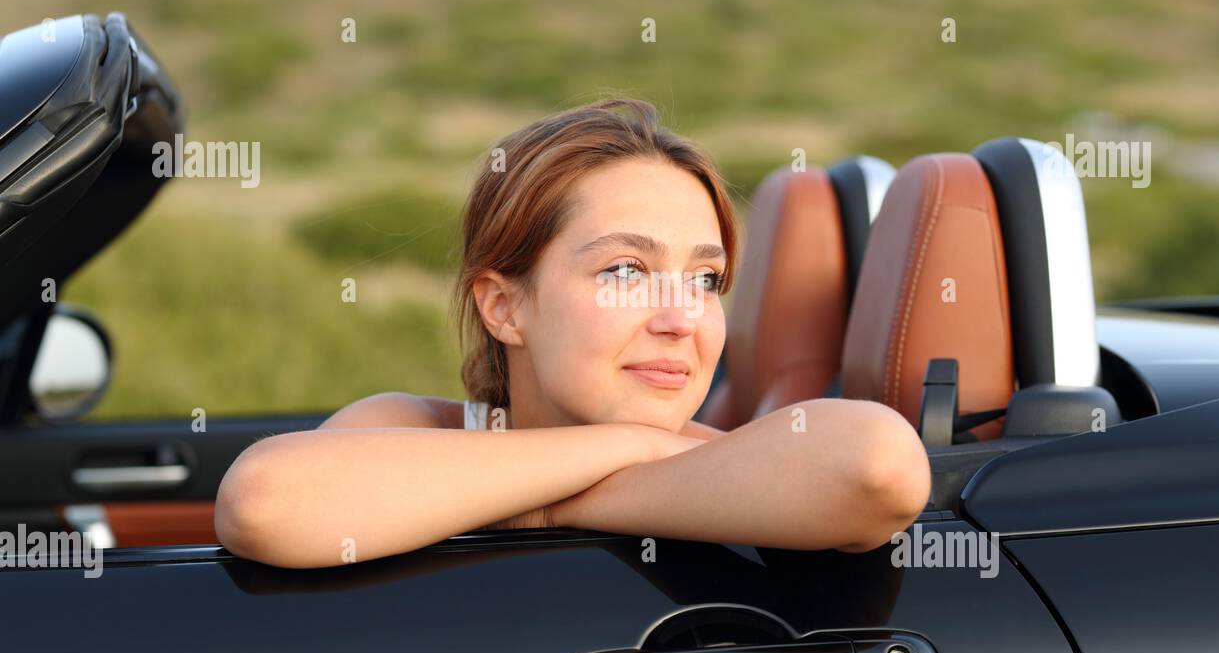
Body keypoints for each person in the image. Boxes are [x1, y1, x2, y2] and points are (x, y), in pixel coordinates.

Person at [214, 97, 931, 568]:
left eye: (705, 280)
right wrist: (628, 450)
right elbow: (265, 504)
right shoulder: (416, 427)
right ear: (504, 308)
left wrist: (551, 500)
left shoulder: (730, 462)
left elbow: (880, 468)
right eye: (625, 270)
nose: (680, 317)